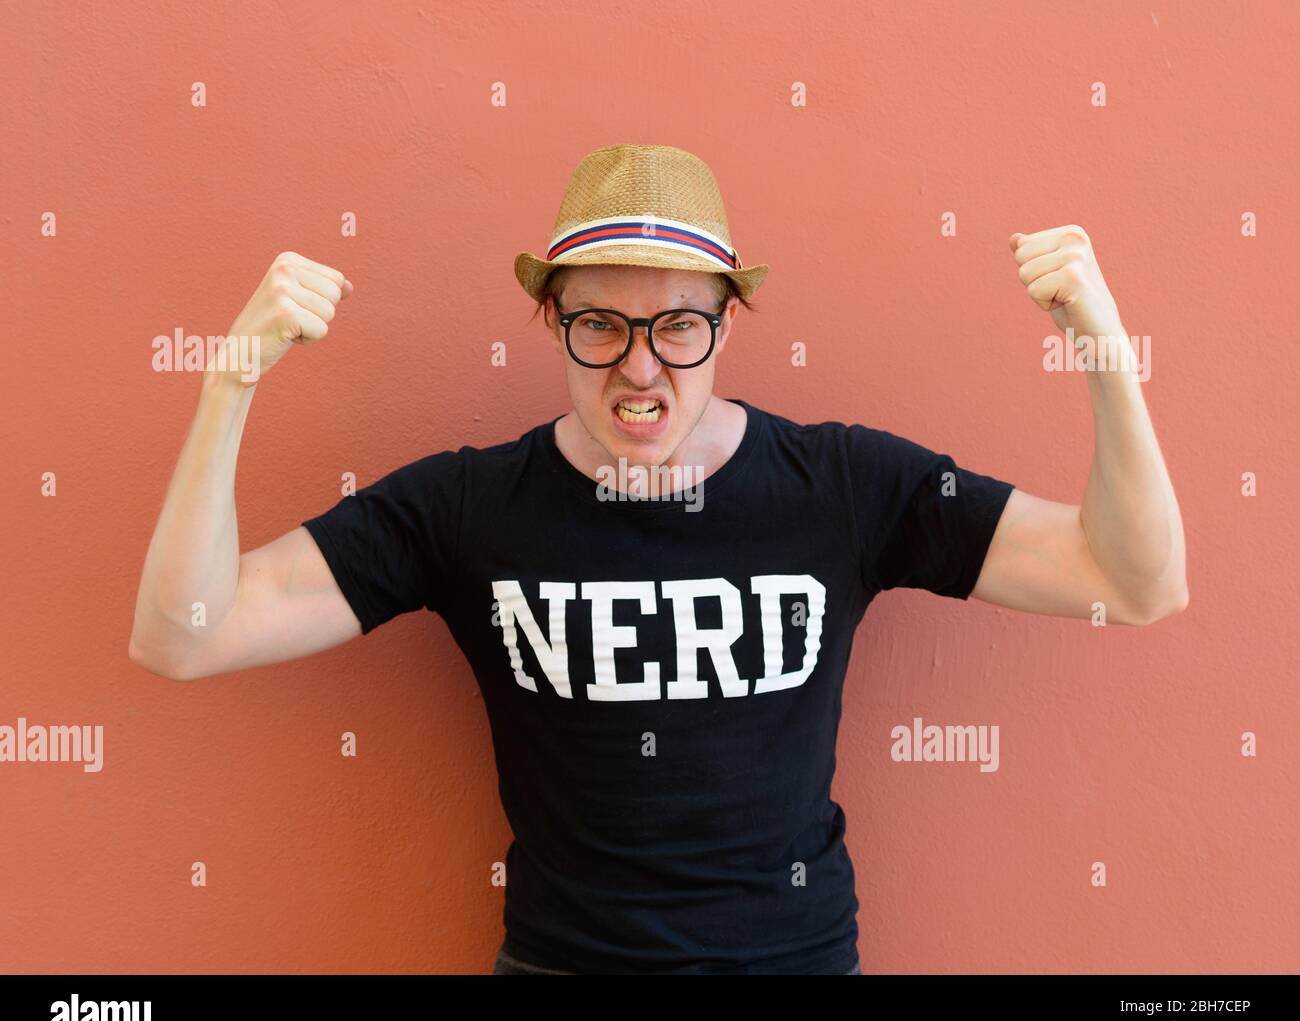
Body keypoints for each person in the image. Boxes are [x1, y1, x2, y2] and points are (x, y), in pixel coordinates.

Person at [128, 143, 1187, 975]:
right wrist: (228, 382)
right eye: (599, 322)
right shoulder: (464, 505)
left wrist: (1100, 345)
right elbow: (186, 636)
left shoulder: (847, 485)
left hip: (795, 962)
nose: (640, 366)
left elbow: (1131, 582)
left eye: (679, 323)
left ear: (730, 325)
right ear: (549, 319)